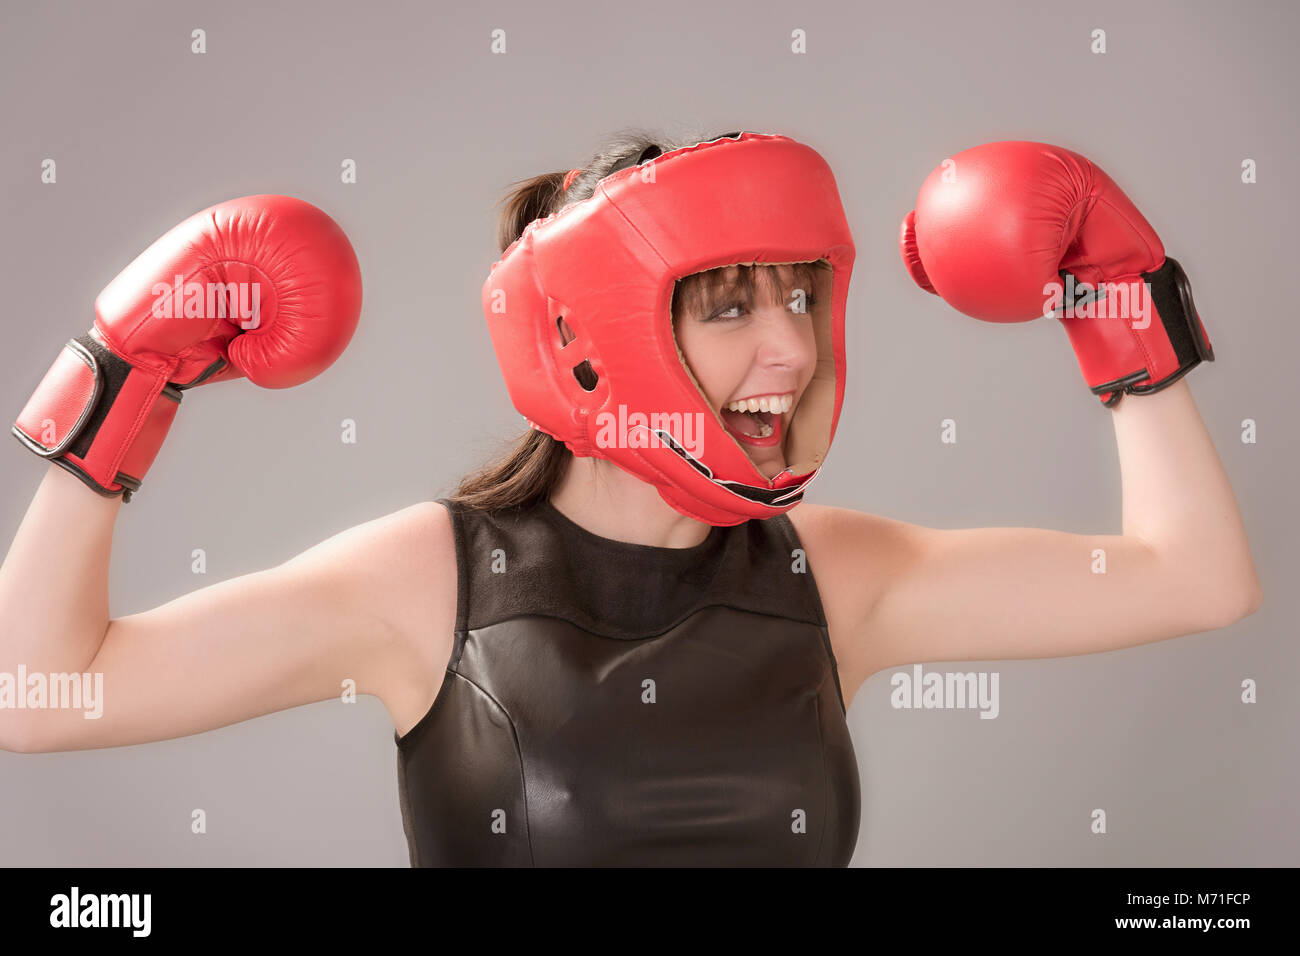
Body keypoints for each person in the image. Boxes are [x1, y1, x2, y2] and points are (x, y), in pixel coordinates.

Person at [0, 130, 1262, 868]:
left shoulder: (828, 573)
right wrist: (123, 376)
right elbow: (38, 696)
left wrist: (1118, 302)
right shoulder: (432, 582)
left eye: (801, 298)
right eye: (728, 307)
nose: (793, 351)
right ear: (590, 336)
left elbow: (1194, 576)